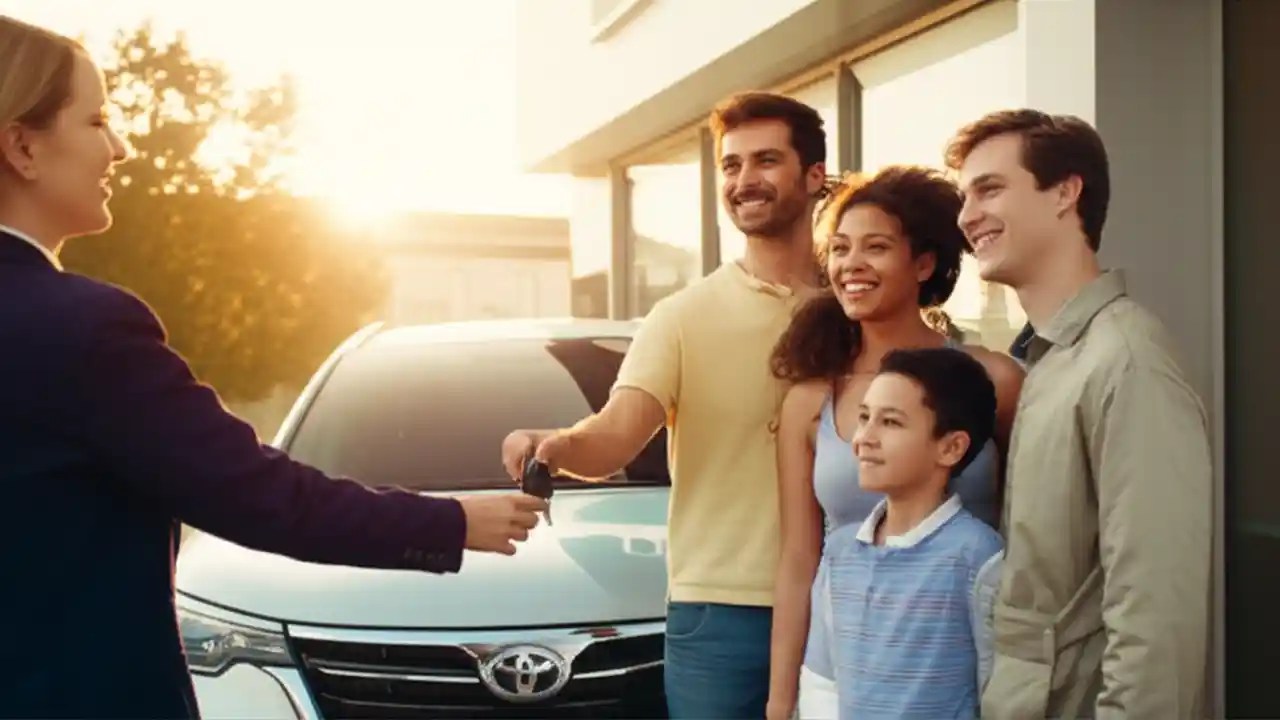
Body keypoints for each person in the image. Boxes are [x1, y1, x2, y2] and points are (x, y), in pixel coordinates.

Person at [0, 16, 546, 720]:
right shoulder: (80, 327)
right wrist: (451, 521)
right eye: (97, 119)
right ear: (22, 145)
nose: (121, 147)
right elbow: (253, 492)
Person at [501, 91, 828, 719]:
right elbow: (614, 437)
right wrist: (559, 445)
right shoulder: (681, 317)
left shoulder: (855, 305)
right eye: (731, 166)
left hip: (849, 599)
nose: (744, 180)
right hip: (721, 614)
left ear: (813, 176)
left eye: (765, 161)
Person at [945, 108, 1212, 719]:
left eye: (990, 188)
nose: (967, 216)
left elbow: (1156, 610)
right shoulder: (1046, 359)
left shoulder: (1127, 360)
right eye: (965, 196)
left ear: (1066, 192)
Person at [765, 166, 1024, 720]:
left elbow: (1035, 534)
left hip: (952, 672)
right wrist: (779, 699)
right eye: (839, 249)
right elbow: (797, 558)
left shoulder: (993, 380)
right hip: (837, 676)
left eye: (875, 247)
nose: (851, 264)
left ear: (924, 264)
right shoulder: (809, 401)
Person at [825, 347, 1005, 720]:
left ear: (951, 447)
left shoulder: (977, 555)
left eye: (890, 422)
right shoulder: (840, 551)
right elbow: (827, 679)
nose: (865, 438)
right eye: (864, 418)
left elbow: (998, 687)